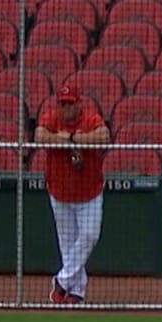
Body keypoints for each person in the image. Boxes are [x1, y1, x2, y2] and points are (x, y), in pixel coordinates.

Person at [33, 82, 111, 304]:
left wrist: (72, 139)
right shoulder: (51, 118)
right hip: (60, 191)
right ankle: (77, 292)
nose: (66, 107)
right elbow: (39, 136)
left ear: (79, 103)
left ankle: (62, 281)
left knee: (89, 235)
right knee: (66, 245)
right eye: (62, 103)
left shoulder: (89, 118)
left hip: (89, 192)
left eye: (70, 103)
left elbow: (104, 136)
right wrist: (66, 140)